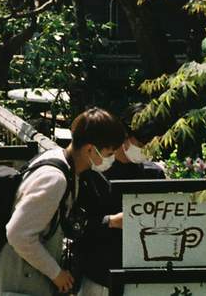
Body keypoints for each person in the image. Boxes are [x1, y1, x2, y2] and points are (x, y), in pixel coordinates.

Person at [0, 107, 126, 296]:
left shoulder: (62, 161)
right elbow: (18, 234)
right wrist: (56, 273)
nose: (111, 159)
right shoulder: (55, 179)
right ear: (90, 149)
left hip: (26, 272)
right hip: (19, 277)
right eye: (109, 153)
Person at [72, 107, 165, 295]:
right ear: (124, 137)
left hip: (140, 272)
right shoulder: (96, 169)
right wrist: (111, 221)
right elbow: (75, 223)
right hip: (98, 273)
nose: (146, 150)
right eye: (142, 143)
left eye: (152, 146)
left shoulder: (153, 174)